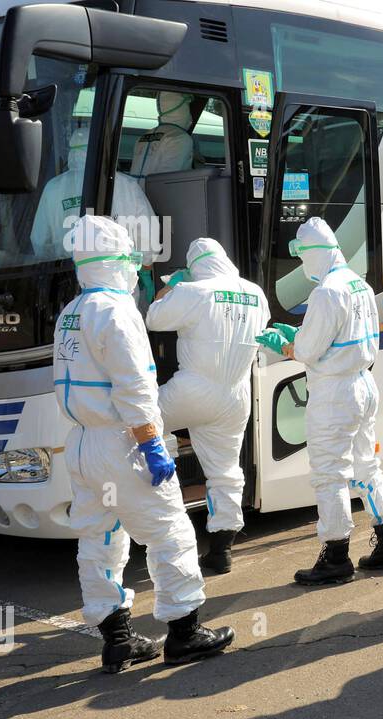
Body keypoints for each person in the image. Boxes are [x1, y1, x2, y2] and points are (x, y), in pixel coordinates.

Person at [54, 215, 233, 673]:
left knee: (99, 538)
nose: (136, 269)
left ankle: (117, 639)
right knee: (169, 532)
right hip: (123, 444)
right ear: (116, 260)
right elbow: (134, 388)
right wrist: (152, 444)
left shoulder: (71, 311)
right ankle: (185, 634)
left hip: (82, 445)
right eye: (131, 259)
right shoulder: (116, 311)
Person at [257, 217, 383, 585]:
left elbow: (308, 351)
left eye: (301, 254)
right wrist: (304, 334)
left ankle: (336, 555)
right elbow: (342, 336)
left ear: (312, 253)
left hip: (333, 394)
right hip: (363, 384)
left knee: (329, 474)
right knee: (366, 465)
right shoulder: (359, 284)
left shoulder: (326, 291)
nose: (301, 264)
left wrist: (287, 343)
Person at [146, 239, 270, 575]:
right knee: (225, 472)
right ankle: (221, 550)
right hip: (235, 395)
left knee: (135, 428)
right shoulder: (256, 293)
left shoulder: (192, 291)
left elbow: (153, 318)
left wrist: (172, 286)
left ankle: (153, 523)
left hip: (192, 389)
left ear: (195, 266)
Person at [30, 127, 155, 265]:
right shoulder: (128, 185)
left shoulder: (53, 187)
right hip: (118, 280)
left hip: (65, 279)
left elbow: (40, 244)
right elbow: (149, 245)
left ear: (72, 151)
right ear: (104, 149)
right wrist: (135, 260)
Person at [129, 91, 197, 177]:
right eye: (187, 106)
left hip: (134, 190)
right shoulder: (180, 138)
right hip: (158, 190)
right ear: (183, 108)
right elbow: (169, 180)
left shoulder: (144, 136)